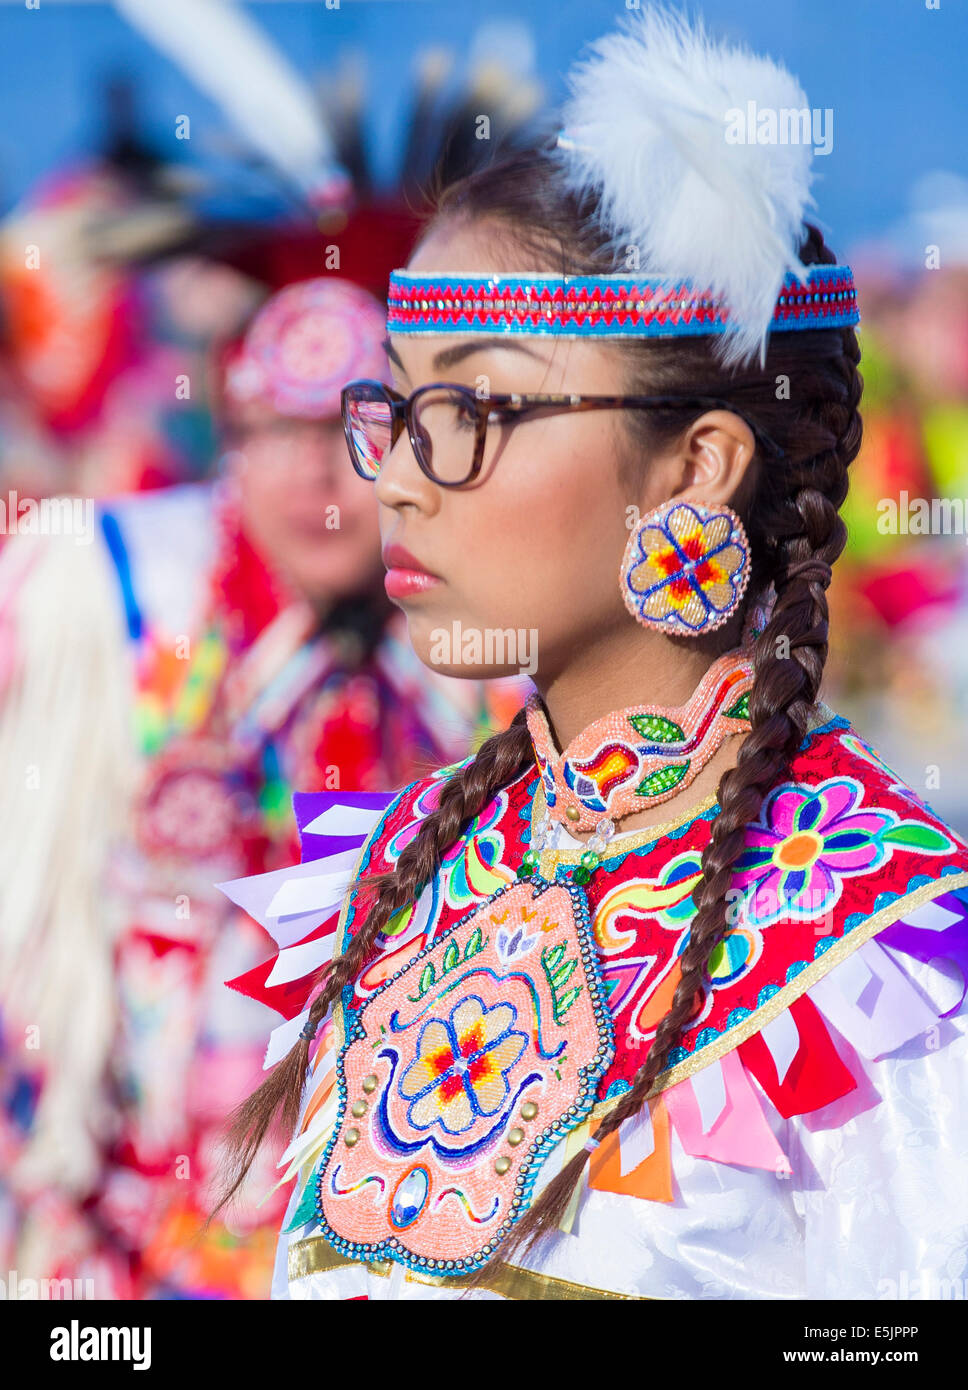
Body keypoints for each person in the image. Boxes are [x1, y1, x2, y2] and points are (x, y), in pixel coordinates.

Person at [219, 8, 968, 1301]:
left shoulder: (887, 975)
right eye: (395, 407)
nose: (394, 478)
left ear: (694, 465)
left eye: (468, 408)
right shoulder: (390, 884)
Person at [0, 275, 529, 1299]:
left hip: (400, 1198)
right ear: (229, 445)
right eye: (273, 432)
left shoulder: (489, 652)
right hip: (130, 1215)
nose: (315, 473)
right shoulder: (123, 599)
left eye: (356, 430)